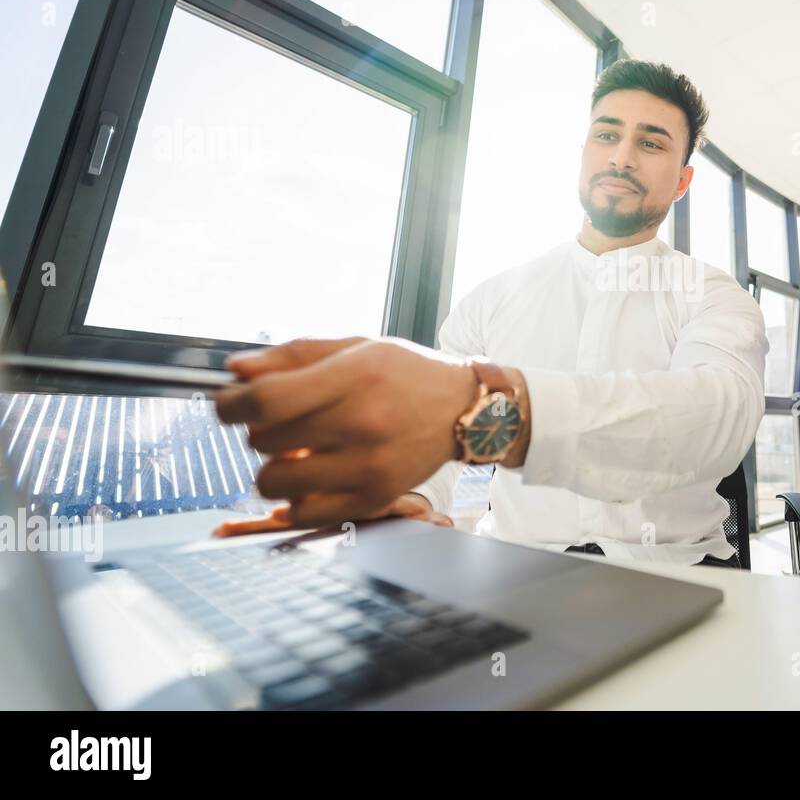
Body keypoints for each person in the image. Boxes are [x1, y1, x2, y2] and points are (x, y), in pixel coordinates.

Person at [213, 60, 766, 567]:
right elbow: (434, 437)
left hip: (682, 572)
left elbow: (716, 417)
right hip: (514, 569)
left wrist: (501, 412)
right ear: (583, 153)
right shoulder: (494, 297)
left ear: (683, 181)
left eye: (651, 143)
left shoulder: (714, 296)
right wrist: (414, 496)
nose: (621, 155)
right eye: (606, 135)